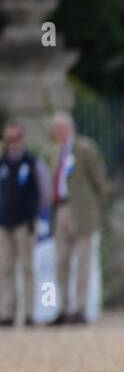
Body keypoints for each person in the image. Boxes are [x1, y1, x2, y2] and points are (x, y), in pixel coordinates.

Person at [49, 112, 109, 325]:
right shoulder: (56, 153)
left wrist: (95, 209)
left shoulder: (85, 148)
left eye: (59, 128)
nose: (56, 132)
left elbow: (100, 182)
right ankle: (64, 308)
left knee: (83, 263)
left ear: (69, 128)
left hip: (83, 213)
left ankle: (81, 309)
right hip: (62, 210)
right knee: (61, 262)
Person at [0, 122, 50, 327]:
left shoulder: (33, 163)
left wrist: (33, 213)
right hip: (3, 222)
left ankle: (29, 312)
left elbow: (44, 193)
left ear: (23, 138)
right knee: (4, 268)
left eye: (16, 138)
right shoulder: (2, 164)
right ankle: (6, 311)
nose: (12, 143)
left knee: (28, 268)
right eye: (8, 139)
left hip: (24, 222)